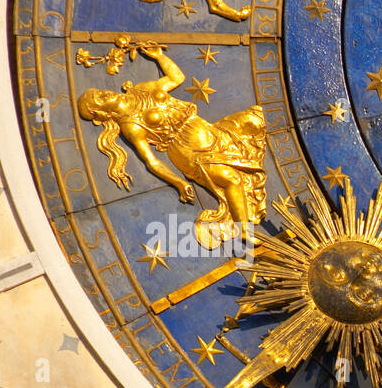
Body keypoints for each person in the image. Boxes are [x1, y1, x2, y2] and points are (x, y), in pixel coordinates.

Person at [77, 42, 266, 249]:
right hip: (186, 149)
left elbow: (176, 78)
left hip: (204, 129)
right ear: (101, 114)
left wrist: (159, 57)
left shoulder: (140, 90)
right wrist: (178, 182)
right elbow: (151, 162)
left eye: (100, 91)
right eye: (99, 99)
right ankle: (243, 229)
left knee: (255, 119)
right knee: (231, 178)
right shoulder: (131, 126)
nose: (104, 94)